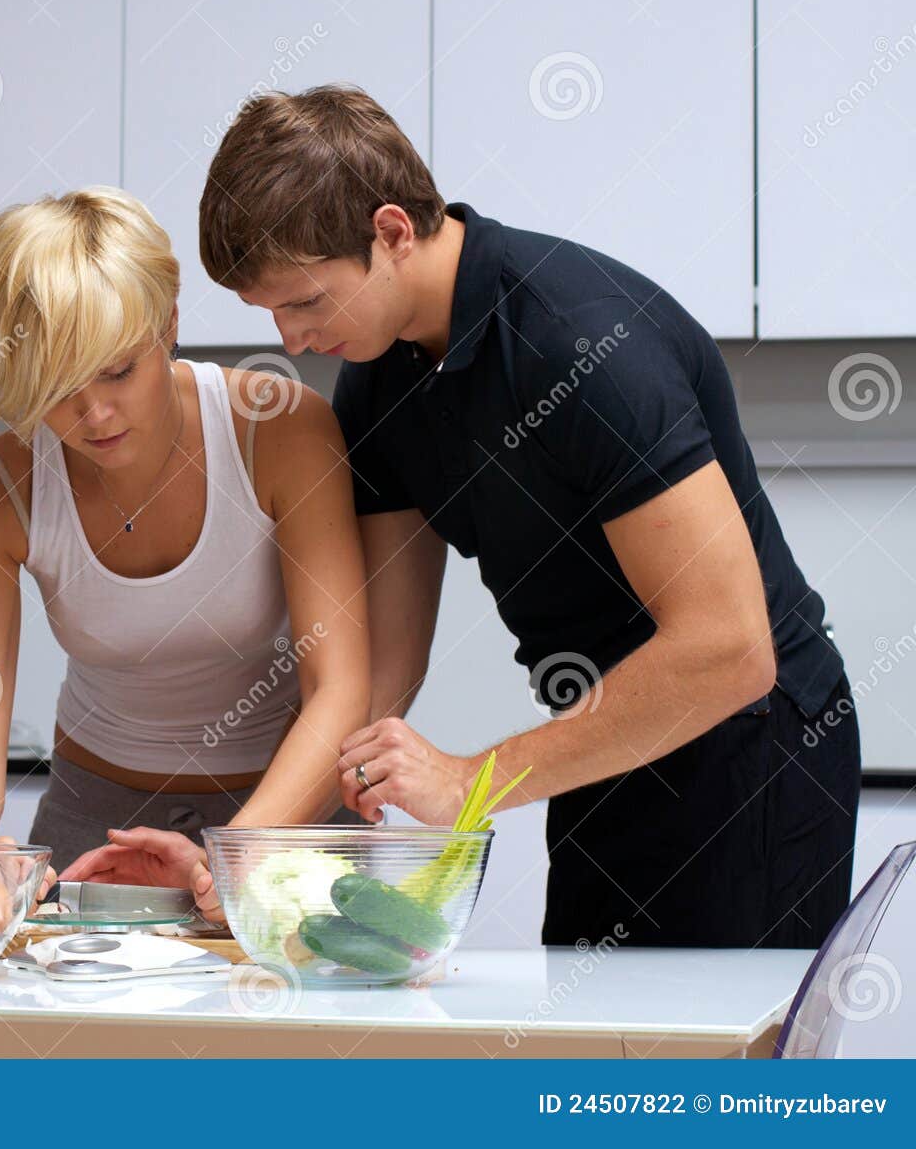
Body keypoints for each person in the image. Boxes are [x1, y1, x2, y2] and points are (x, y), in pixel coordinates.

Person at [195, 84, 859, 949]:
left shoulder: (582, 344)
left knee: (716, 1081)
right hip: (599, 744)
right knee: (592, 1063)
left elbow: (730, 650)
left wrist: (469, 780)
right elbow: (382, 667)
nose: (289, 338)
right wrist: (252, 858)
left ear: (392, 232)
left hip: (752, 744)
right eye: (270, 312)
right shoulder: (376, 377)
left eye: (308, 302)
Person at [0, 186, 371, 919]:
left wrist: (238, 852)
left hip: (290, 801)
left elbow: (342, 685)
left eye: (118, 371)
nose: (94, 414)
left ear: (167, 323)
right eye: (57, 388)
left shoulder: (281, 431)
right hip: (95, 813)